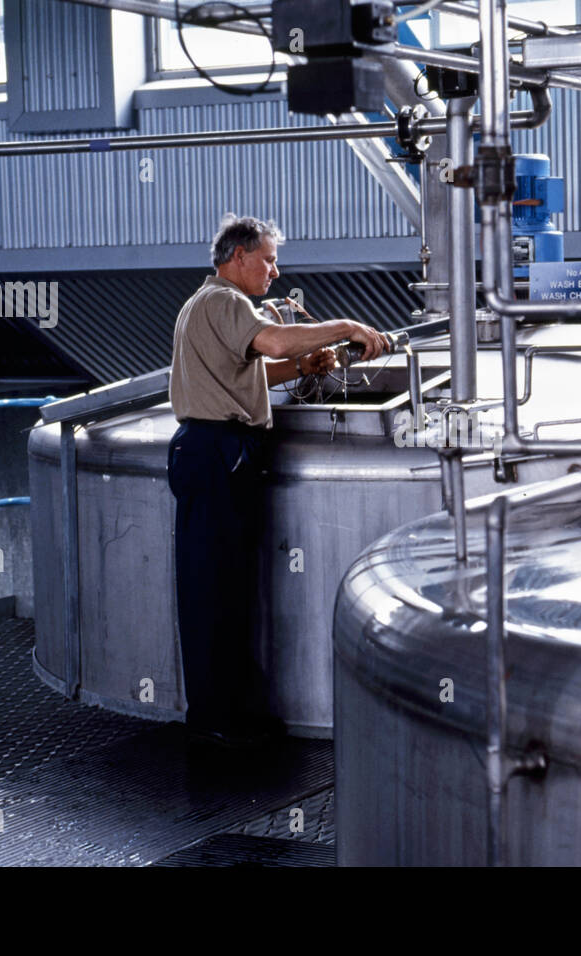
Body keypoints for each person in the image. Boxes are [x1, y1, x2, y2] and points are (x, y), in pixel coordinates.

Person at [167, 214, 388, 749]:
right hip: (218, 452)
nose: (274, 270)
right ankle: (216, 719)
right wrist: (346, 327)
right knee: (215, 589)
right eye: (266, 259)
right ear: (237, 257)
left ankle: (225, 713)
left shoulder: (206, 305)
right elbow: (271, 342)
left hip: (209, 451)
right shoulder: (226, 303)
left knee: (220, 586)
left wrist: (305, 365)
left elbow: (249, 373)